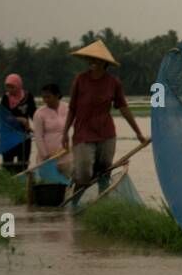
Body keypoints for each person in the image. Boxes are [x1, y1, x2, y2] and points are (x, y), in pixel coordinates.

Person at [61, 40, 146, 188]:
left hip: (106, 133)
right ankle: (76, 200)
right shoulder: (80, 80)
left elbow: (123, 108)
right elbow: (72, 108)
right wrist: (65, 133)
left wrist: (138, 133)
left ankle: (101, 202)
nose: (92, 62)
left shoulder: (113, 83)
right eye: (90, 59)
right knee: (84, 172)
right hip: (83, 133)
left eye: (96, 60)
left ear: (104, 63)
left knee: (104, 170)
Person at [31, 83, 70, 176]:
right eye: (43, 97)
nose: (45, 100)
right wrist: (45, 155)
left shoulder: (67, 108)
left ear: (57, 96)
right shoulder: (39, 113)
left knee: (67, 184)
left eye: (48, 97)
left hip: (66, 155)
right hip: (48, 157)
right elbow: (38, 136)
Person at [0, 73, 36, 166]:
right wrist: (20, 119)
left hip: (24, 136)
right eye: (7, 87)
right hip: (8, 136)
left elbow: (34, 114)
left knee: (23, 164)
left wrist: (39, 128)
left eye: (12, 87)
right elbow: (2, 117)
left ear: (19, 85)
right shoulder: (5, 97)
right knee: (7, 164)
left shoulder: (28, 96)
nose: (9, 90)